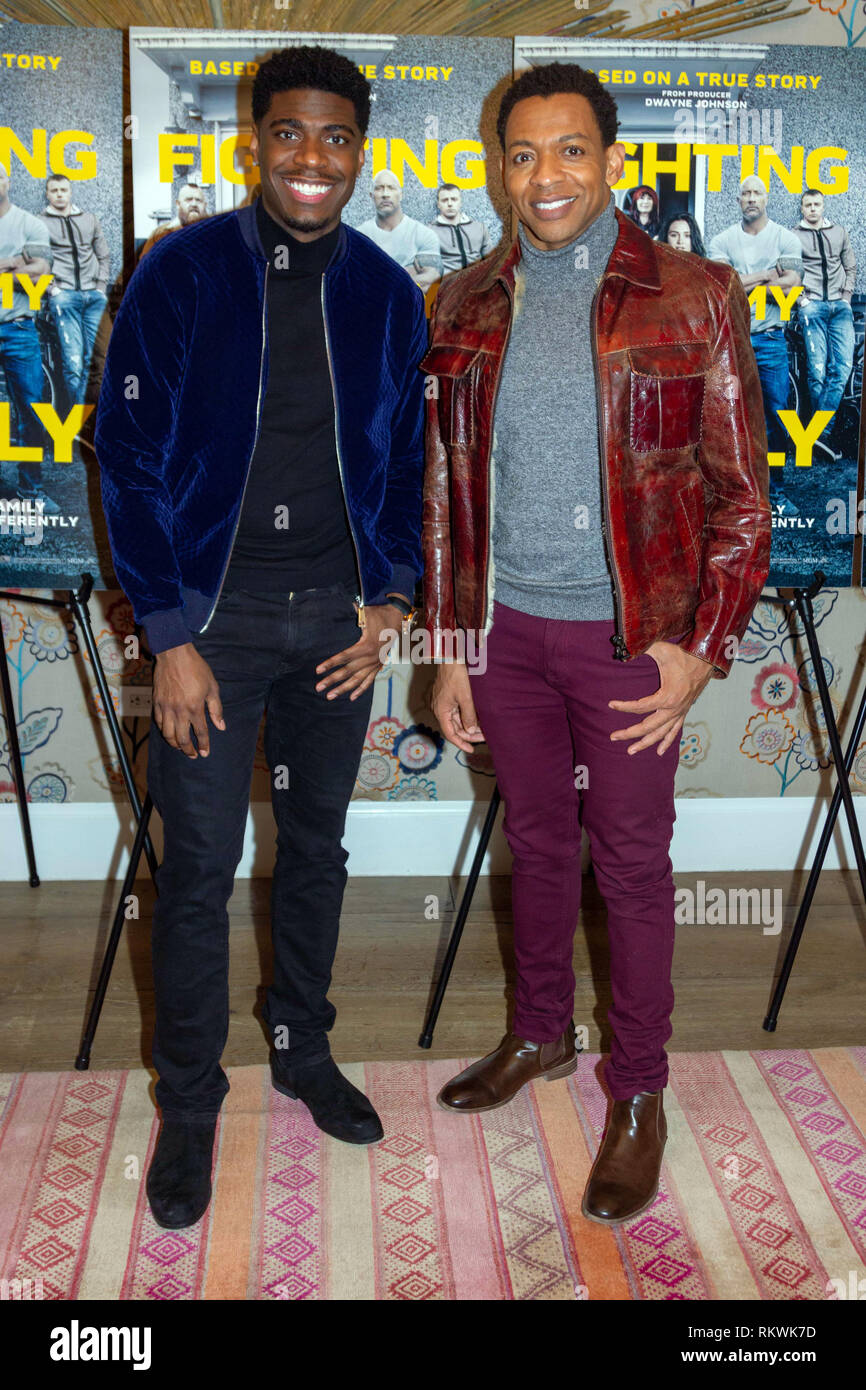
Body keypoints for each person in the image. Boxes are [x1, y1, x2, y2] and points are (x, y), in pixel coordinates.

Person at [421, 61, 771, 1225]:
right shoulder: (463, 302)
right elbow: (442, 493)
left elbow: (741, 501)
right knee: (533, 839)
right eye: (521, 155)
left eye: (568, 150)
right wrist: (450, 645)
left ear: (611, 161)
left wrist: (698, 648)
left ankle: (637, 1093)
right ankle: (535, 1035)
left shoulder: (693, 293)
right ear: (499, 170)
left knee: (627, 866)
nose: (544, 176)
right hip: (507, 633)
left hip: (632, 644)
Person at [95, 46, 427, 1231]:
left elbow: (399, 470)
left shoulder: (389, 294)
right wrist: (170, 632)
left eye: (336, 137)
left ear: (360, 150)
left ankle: (299, 1045)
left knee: (319, 851)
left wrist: (391, 598)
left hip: (332, 625)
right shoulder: (179, 275)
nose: (312, 158)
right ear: (254, 141)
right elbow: (125, 462)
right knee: (194, 871)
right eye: (289, 133)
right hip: (212, 631)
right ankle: (189, 1102)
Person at [707, 175, 803, 459]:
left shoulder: (785, 238)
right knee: (729, 416)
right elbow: (722, 288)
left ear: (766, 199)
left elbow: (792, 287)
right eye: (745, 193)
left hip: (770, 340)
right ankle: (738, 494)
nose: (751, 198)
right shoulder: (722, 240)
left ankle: (776, 493)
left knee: (775, 415)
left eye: (756, 193)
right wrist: (765, 275)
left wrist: (741, 280)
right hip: (731, 341)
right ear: (738, 200)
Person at [0, 164, 59, 510]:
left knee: (32, 410)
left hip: (19, 328)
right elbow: (29, 267)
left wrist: (7, 264)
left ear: (8, 181)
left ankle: (30, 491)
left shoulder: (29, 224)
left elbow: (40, 273)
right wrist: (15, 262)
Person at [39, 174, 110, 408]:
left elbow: (103, 254)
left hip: (94, 297)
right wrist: (52, 290)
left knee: (100, 360)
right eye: (54, 190)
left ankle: (92, 420)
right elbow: (35, 259)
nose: (59, 194)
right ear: (48, 194)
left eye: (63, 190)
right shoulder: (39, 222)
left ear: (70, 192)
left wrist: (100, 287)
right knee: (74, 364)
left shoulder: (89, 219)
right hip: (65, 296)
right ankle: (78, 422)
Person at [791, 188, 856, 441]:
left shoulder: (839, 232)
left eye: (817, 204)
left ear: (823, 206)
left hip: (840, 307)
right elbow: (787, 269)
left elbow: (850, 266)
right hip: (812, 306)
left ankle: (818, 433)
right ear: (802, 208)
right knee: (817, 371)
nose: (813, 209)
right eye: (808, 205)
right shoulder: (794, 236)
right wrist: (801, 300)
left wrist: (847, 298)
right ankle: (825, 435)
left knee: (841, 367)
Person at [357, 168, 442, 290]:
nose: (385, 194)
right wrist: (406, 273)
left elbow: (432, 278)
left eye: (391, 188)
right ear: (372, 196)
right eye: (379, 188)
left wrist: (377, 275)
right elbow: (355, 281)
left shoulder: (423, 234)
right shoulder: (359, 236)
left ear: (401, 195)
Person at [428, 182, 493, 275]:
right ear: (438, 204)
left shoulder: (479, 228)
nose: (450, 204)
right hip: (448, 284)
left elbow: (491, 261)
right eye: (445, 200)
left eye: (454, 199)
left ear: (460, 202)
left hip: (477, 281)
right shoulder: (430, 232)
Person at [138, 183, 209, 257]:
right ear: (178, 204)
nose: (194, 204)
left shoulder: (214, 234)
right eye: (189, 200)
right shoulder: (159, 234)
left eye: (198, 200)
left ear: (205, 205)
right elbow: (145, 266)